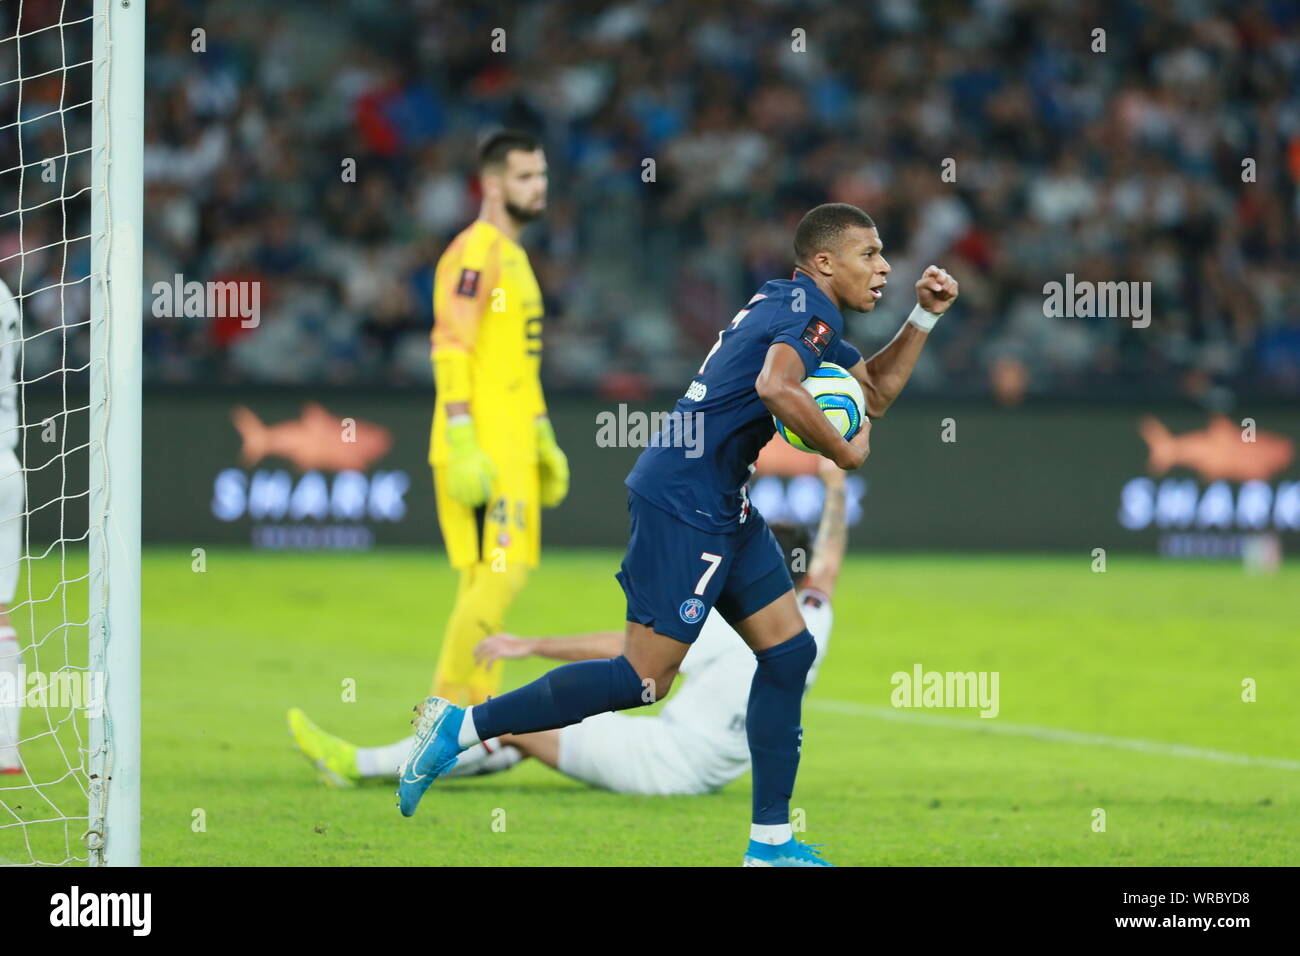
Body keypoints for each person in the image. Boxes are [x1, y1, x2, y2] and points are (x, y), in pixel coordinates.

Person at [397, 202, 957, 867]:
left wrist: (924, 315)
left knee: (787, 653)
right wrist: (842, 452)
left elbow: (876, 394)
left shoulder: (805, 314)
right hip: (684, 500)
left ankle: (769, 848)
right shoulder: (808, 313)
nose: (885, 266)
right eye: (870, 254)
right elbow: (775, 388)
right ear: (825, 262)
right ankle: (461, 724)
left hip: (719, 497)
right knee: (643, 680)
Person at [285, 458, 846, 798]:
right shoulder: (812, 616)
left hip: (668, 761)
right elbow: (828, 563)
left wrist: (530, 644)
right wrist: (836, 487)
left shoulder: (733, 624)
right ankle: (401, 767)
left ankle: (358, 767)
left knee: (512, 719)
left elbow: (624, 653)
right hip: (703, 759)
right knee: (524, 732)